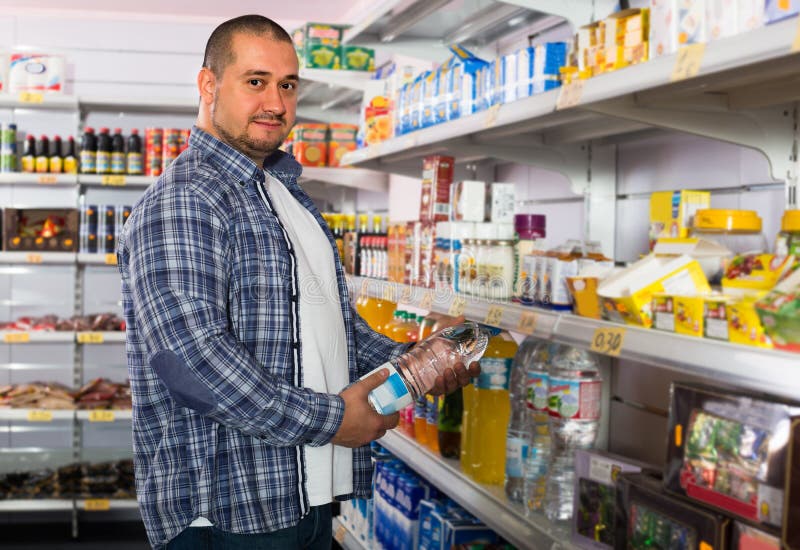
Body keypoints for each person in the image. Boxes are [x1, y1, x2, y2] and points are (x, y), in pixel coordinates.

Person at [117, 14, 479, 550]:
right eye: (256, 81)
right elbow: (192, 362)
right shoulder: (185, 200)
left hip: (305, 495)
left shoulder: (286, 196)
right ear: (208, 85)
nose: (276, 103)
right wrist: (334, 420)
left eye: (287, 85)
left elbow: (331, 331)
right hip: (226, 514)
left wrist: (423, 360)